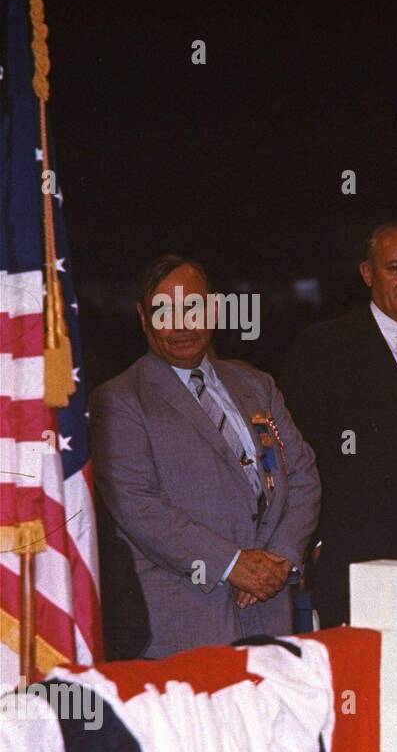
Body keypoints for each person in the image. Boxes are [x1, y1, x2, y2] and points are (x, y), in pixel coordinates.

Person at [90, 255, 320, 658]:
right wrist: (233, 565)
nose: (181, 323)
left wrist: (279, 560)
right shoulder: (119, 400)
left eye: (192, 307)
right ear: (143, 318)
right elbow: (139, 507)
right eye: (165, 311)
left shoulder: (257, 385)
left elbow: (302, 476)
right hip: (182, 628)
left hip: (270, 618)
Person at [280, 222, 397, 626]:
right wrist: (315, 542)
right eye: (395, 267)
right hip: (356, 562)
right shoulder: (323, 347)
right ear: (368, 273)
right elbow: (302, 460)